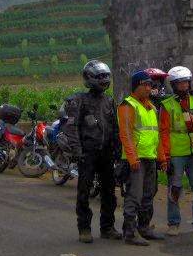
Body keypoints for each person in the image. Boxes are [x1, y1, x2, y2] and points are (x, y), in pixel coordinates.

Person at [61, 60, 122, 243]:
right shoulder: (79, 100)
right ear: (89, 78)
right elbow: (71, 128)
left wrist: (117, 150)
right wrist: (77, 150)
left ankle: (107, 227)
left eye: (106, 76)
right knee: (84, 191)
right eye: (100, 76)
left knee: (109, 192)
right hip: (87, 153)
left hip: (106, 153)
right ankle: (84, 228)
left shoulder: (109, 101)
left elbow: (114, 127)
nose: (104, 80)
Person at [117, 68, 168, 246]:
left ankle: (144, 227)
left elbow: (156, 135)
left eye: (150, 85)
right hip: (136, 160)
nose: (148, 88)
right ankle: (130, 232)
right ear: (136, 87)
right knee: (134, 195)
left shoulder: (151, 107)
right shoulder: (127, 105)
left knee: (149, 194)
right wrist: (132, 158)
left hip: (150, 158)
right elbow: (126, 134)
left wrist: (162, 158)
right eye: (145, 85)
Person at [160, 66, 193, 236]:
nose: (184, 86)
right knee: (175, 189)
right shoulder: (167, 105)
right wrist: (165, 156)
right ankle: (173, 223)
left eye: (186, 82)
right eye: (180, 83)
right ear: (173, 85)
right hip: (176, 152)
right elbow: (164, 132)